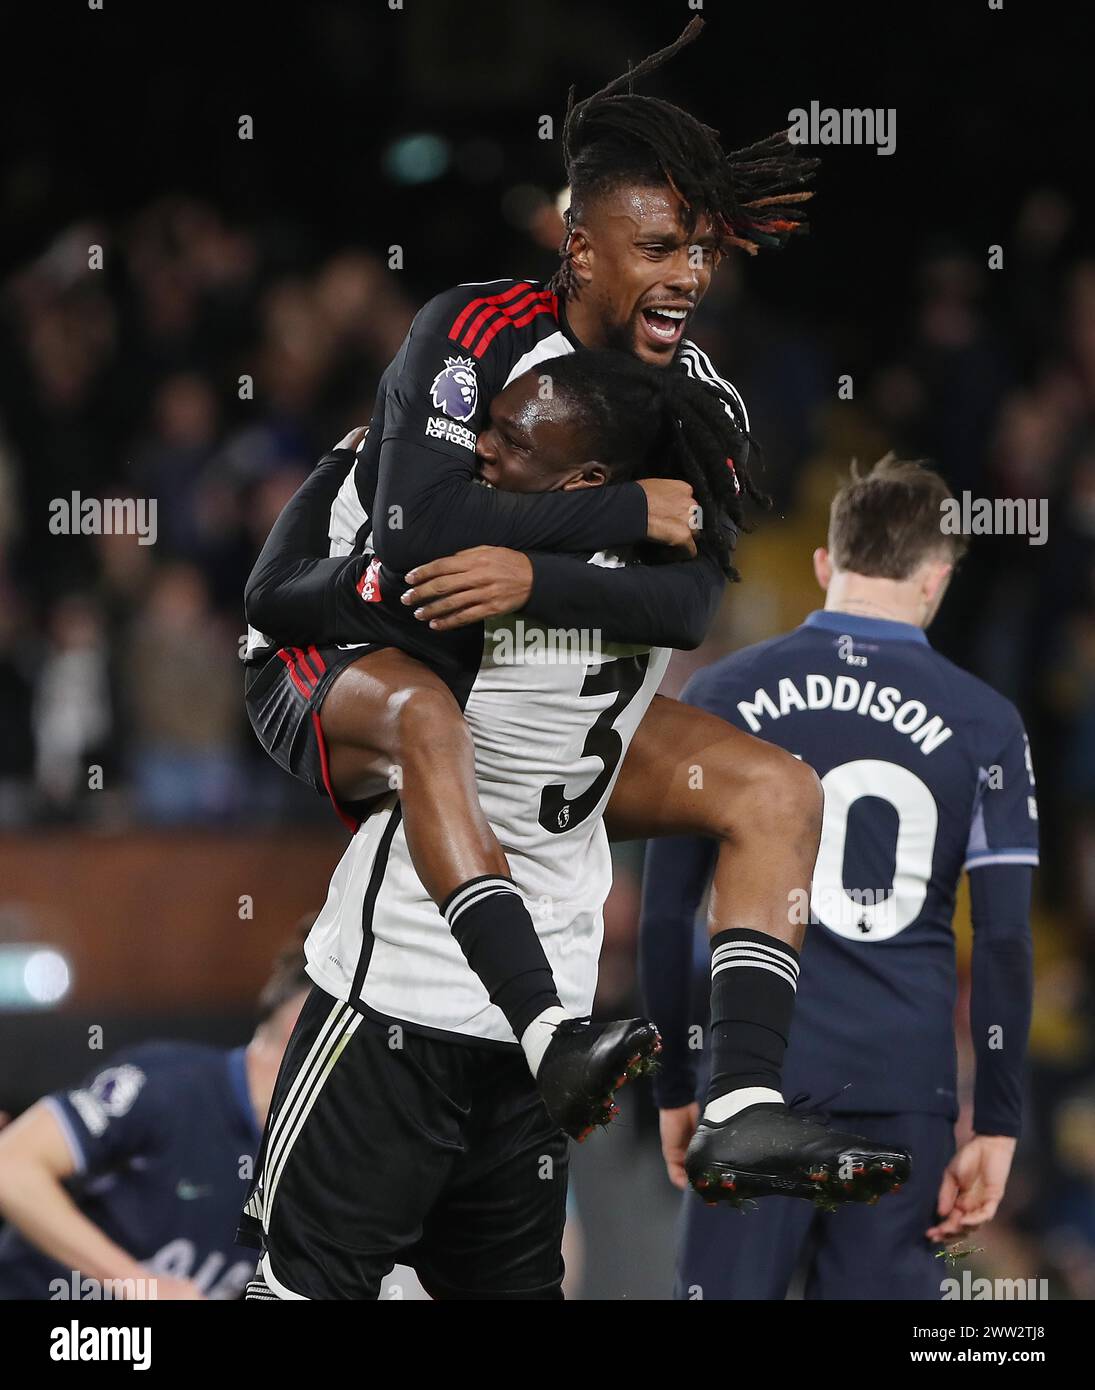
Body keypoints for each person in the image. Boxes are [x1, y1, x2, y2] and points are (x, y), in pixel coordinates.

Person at [245, 16, 909, 1205]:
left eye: (700, 249)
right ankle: (544, 1028)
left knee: (778, 792)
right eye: (658, 245)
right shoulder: (467, 330)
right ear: (579, 244)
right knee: (432, 728)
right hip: (343, 642)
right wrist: (610, 523)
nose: (689, 275)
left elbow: (696, 593)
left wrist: (537, 575)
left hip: (530, 686)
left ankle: (743, 1107)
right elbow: (413, 540)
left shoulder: (705, 398)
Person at [640, 456, 1038, 1297]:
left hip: (754, 1086)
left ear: (826, 565)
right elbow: (1002, 940)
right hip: (902, 1082)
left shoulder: (721, 694)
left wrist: (677, 1083)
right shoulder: (985, 723)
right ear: (936, 579)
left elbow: (667, 916)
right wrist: (996, 1123)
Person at [0, 924, 311, 1300]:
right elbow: (10, 1165)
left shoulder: (312, 1166)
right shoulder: (169, 1084)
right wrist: (136, 1283)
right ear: (305, 1026)